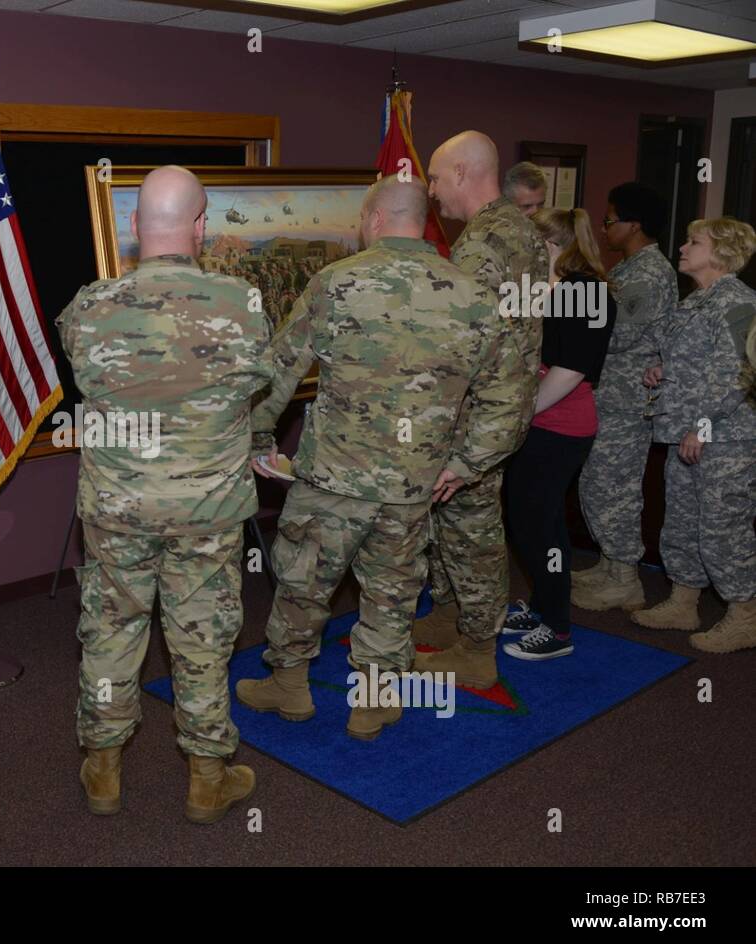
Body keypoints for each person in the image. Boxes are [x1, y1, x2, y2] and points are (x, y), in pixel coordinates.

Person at [234, 177, 523, 740]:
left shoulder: (336, 281)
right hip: (414, 485)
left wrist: (257, 441)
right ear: (425, 223)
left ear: (372, 218)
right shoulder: (475, 297)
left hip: (333, 479)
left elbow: (278, 372)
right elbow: (508, 396)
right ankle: (375, 699)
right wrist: (468, 464)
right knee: (392, 591)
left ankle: (289, 684)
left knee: (303, 583)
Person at [58, 165, 272, 824]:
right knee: (203, 640)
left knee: (110, 634)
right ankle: (207, 780)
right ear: (202, 226)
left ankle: (103, 772)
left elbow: (87, 377)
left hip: (117, 508)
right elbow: (256, 387)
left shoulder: (87, 307)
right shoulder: (243, 305)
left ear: (132, 225)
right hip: (206, 511)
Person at [414, 131, 550, 688]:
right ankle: (452, 617)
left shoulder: (480, 244)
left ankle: (476, 649)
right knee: (457, 524)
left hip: (476, 417)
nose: (431, 189)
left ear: (465, 173)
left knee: (472, 535)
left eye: (437, 177)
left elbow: (458, 344)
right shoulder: (523, 232)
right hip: (504, 407)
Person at [629, 218, 756, 652]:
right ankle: (684, 600)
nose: (682, 247)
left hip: (724, 439)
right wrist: (665, 370)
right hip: (687, 433)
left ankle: (745, 615)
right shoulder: (698, 300)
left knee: (723, 528)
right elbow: (700, 361)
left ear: (721, 253)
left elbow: (739, 375)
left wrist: (701, 425)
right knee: (682, 520)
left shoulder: (738, 302)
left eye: (694, 242)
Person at [500, 208, 617, 660]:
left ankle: (558, 629)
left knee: (539, 526)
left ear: (551, 243)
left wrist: (521, 413)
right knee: (533, 522)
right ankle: (544, 606)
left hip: (560, 426)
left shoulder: (587, 291)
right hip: (540, 422)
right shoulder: (552, 289)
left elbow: (572, 369)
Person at [572, 183, 677, 612]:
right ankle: (609, 564)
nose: (604, 227)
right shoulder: (624, 269)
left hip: (627, 403)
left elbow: (618, 335)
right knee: (598, 483)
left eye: (611, 220)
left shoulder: (649, 274)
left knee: (613, 487)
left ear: (634, 224)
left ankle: (625, 577)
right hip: (608, 398)